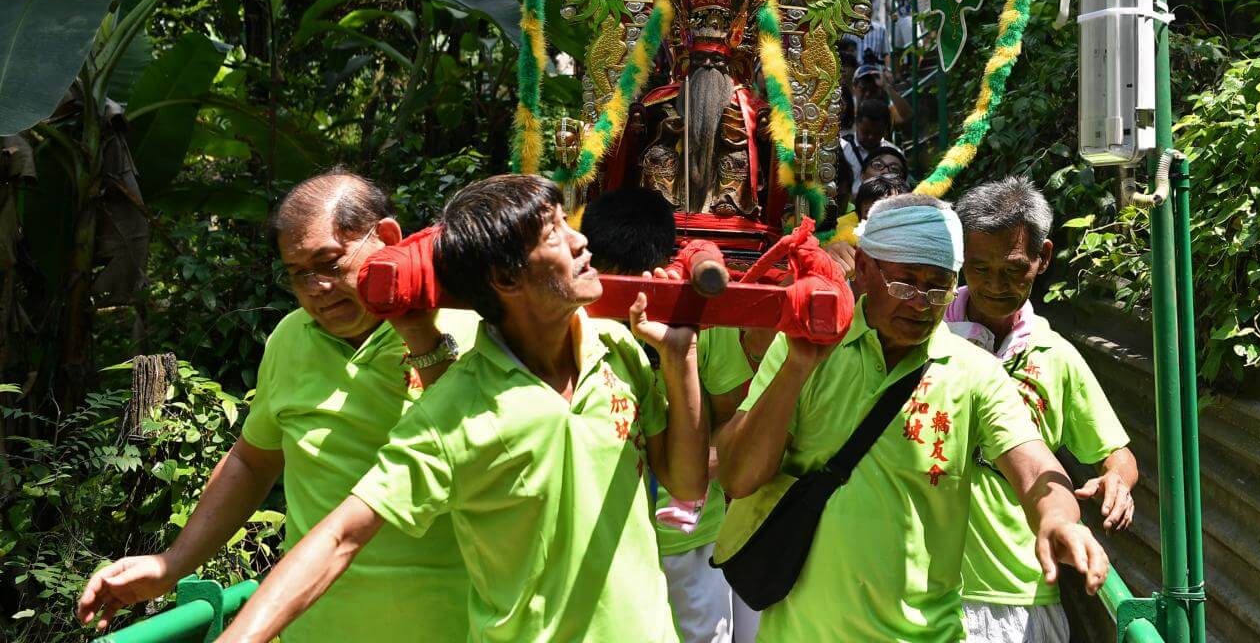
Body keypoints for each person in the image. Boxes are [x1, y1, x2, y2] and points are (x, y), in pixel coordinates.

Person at [213, 175, 709, 643]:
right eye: (553, 235)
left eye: (566, 225)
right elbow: (340, 537)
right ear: (505, 278)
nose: (581, 243)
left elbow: (687, 485)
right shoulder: (455, 408)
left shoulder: (617, 350)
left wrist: (680, 360)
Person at [77, 171, 477, 640]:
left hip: (454, 625)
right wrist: (171, 564)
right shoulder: (289, 338)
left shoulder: (471, 328)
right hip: (312, 629)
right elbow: (252, 460)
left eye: (328, 263)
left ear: (387, 238)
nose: (316, 288)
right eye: (298, 273)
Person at [718, 195, 1107, 643]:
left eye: (938, 287)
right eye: (905, 284)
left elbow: (1035, 465)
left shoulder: (974, 372)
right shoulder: (802, 348)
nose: (921, 303)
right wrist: (798, 367)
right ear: (863, 268)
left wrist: (1058, 519)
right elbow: (738, 478)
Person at [950, 177, 1138, 643]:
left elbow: (1117, 453)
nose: (995, 285)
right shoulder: (922, 339)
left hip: (1025, 595)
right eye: (979, 268)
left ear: (1043, 258)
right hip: (921, 588)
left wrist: (1118, 479)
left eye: (1013, 269)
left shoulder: (1055, 355)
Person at [582, 188, 759, 643]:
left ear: (662, 264)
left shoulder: (694, 316)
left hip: (691, 542)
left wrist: (696, 474)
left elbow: (734, 413)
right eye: (608, 281)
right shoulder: (570, 318)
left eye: (635, 283)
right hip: (599, 536)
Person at [840, 97, 902, 196]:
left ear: (886, 129)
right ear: (857, 122)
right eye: (866, 131)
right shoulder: (841, 149)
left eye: (878, 133)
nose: (871, 137)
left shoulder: (895, 154)